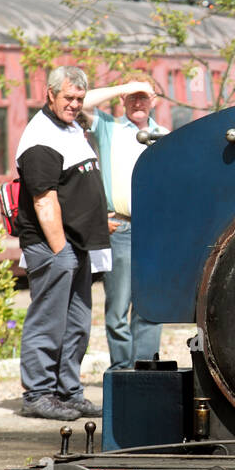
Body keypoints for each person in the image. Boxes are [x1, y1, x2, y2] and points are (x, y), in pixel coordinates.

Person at [16, 66, 111, 420]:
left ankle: (68, 392)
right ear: (50, 94)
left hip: (77, 244)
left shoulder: (69, 124)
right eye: (68, 98)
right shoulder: (41, 137)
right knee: (48, 321)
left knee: (77, 323)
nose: (75, 104)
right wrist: (60, 252)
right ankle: (38, 394)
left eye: (80, 99)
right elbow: (44, 200)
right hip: (54, 246)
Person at [81, 79, 167, 371]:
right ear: (123, 101)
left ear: (154, 100)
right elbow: (81, 102)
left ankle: (144, 370)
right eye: (132, 98)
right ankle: (121, 370)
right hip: (120, 228)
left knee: (149, 306)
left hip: (154, 230)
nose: (138, 103)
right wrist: (123, 87)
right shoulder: (109, 128)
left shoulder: (164, 137)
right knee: (117, 308)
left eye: (143, 98)